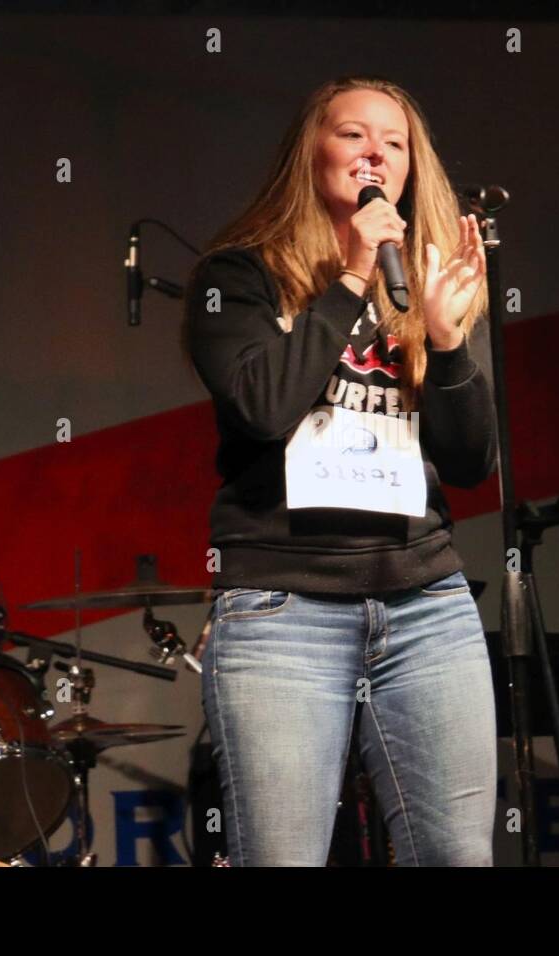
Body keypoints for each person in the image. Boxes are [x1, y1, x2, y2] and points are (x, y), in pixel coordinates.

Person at [183, 74, 499, 866]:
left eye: (394, 143)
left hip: (426, 604)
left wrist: (448, 340)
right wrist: (350, 278)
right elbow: (260, 405)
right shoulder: (238, 278)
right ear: (312, 155)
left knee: (458, 858)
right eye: (354, 134)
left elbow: (468, 463)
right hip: (284, 609)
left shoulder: (430, 280)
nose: (374, 154)